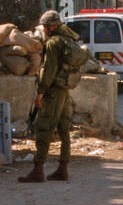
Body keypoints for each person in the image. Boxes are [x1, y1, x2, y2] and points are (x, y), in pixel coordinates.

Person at [19, 10, 83, 183]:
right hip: (64, 90)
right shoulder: (68, 40)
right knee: (64, 129)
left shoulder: (53, 43)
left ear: (50, 26)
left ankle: (38, 169)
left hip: (53, 91)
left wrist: (40, 92)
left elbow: (49, 70)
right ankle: (63, 168)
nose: (45, 30)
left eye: (46, 27)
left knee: (44, 128)